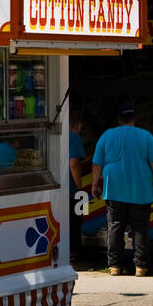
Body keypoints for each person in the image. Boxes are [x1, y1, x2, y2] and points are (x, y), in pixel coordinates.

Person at [91, 103, 153, 277]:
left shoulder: (107, 135)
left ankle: (114, 267)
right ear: (135, 118)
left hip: (114, 187)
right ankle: (141, 267)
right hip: (140, 188)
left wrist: (95, 184)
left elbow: (97, 162)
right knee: (140, 228)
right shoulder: (146, 136)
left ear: (119, 119)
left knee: (115, 227)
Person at [67, 111, 86, 266]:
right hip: (72, 190)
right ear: (77, 125)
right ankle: (75, 256)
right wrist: (79, 187)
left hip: (58, 189)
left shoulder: (56, 136)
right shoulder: (74, 137)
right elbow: (73, 163)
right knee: (76, 221)